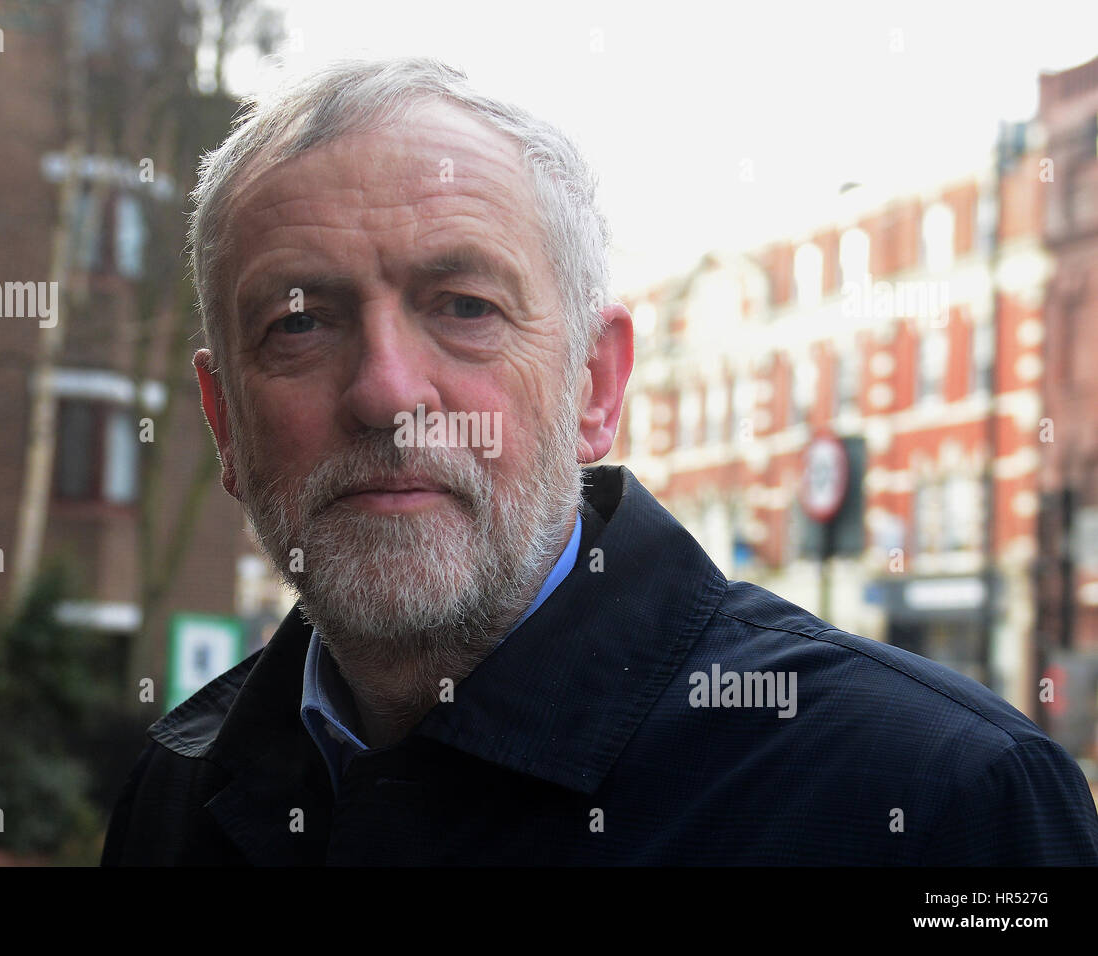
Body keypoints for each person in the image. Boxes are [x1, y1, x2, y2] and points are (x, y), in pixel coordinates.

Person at [101, 56, 1098, 866]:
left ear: (595, 387)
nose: (387, 392)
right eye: (299, 322)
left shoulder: (939, 803)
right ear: (224, 418)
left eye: (464, 307)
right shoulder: (180, 791)